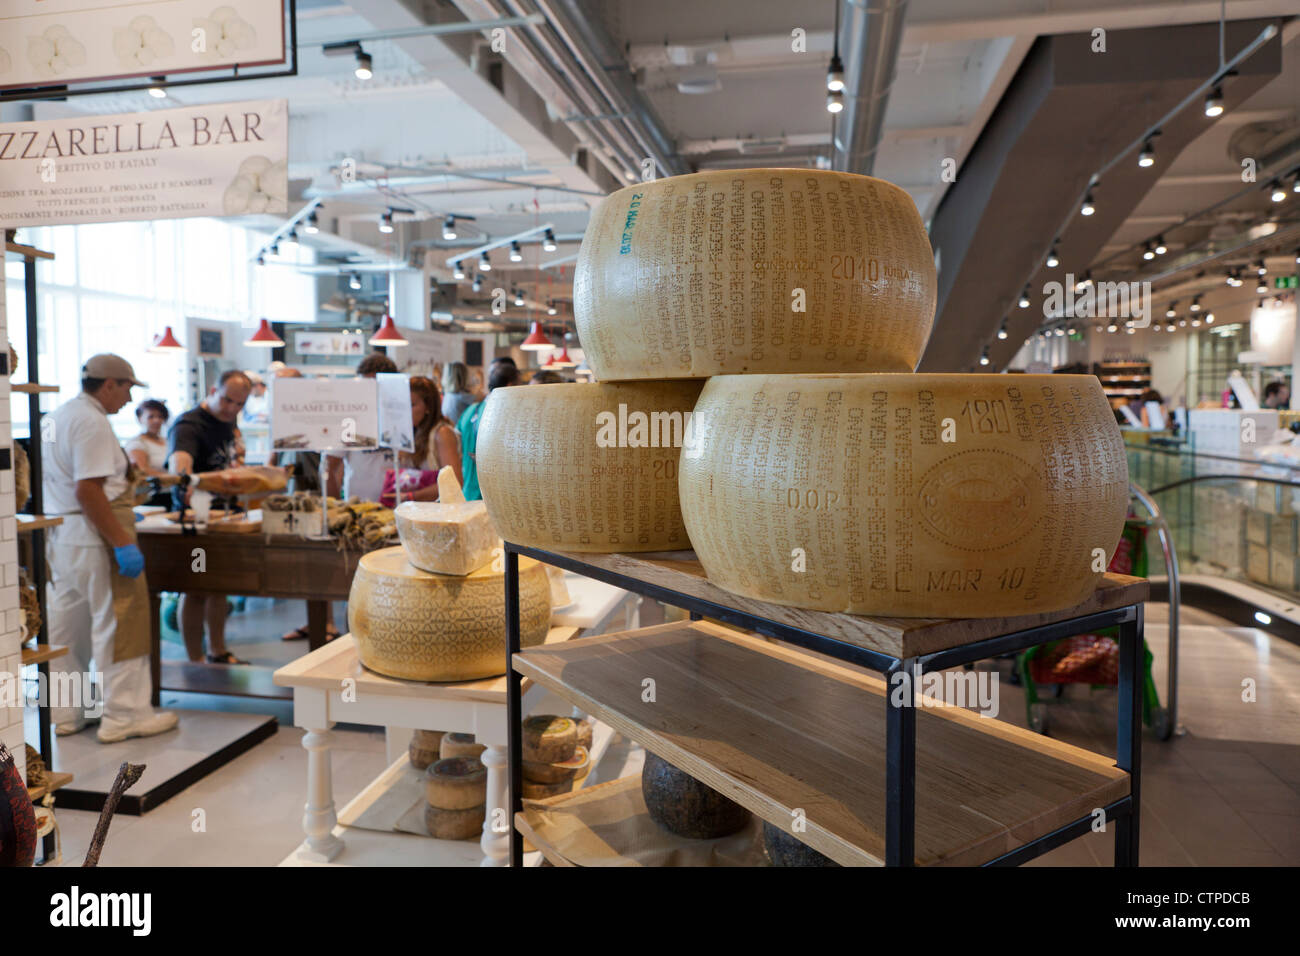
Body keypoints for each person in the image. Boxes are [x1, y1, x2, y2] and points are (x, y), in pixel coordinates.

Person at [44, 354, 178, 743]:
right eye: (126, 388)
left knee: (69, 627)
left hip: (61, 535)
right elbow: (87, 489)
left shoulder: (55, 417)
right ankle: (125, 715)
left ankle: (69, 713)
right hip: (96, 535)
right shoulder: (93, 422)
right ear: (108, 385)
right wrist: (121, 541)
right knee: (119, 622)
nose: (127, 398)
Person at [167, 369, 252, 665]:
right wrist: (184, 479)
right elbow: (180, 460)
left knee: (219, 587)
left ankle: (217, 650)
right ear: (212, 391)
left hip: (225, 517)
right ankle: (196, 661)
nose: (232, 409)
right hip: (197, 522)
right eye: (227, 401)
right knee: (196, 589)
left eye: (240, 404)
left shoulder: (228, 421)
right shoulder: (189, 425)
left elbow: (234, 452)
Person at [323, 352, 397, 502]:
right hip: (360, 507)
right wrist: (337, 508)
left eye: (374, 385)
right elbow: (327, 466)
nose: (369, 391)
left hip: (402, 506)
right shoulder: (349, 419)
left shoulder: (403, 416)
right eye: (364, 385)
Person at [382, 377, 463, 504]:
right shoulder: (414, 432)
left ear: (428, 407)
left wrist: (412, 496)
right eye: (402, 405)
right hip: (418, 511)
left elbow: (455, 482)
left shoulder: (442, 433)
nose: (406, 411)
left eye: (412, 405)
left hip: (437, 514)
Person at [457, 360, 520, 501]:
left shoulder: (470, 410)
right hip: (494, 496)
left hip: (468, 490)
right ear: (510, 385)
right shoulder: (507, 414)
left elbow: (458, 446)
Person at [125, 399, 172, 508]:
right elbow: (143, 470)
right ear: (140, 419)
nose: (156, 420)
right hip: (151, 499)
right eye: (151, 417)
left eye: (160, 416)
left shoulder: (167, 441)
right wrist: (175, 479)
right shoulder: (136, 443)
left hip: (171, 494)